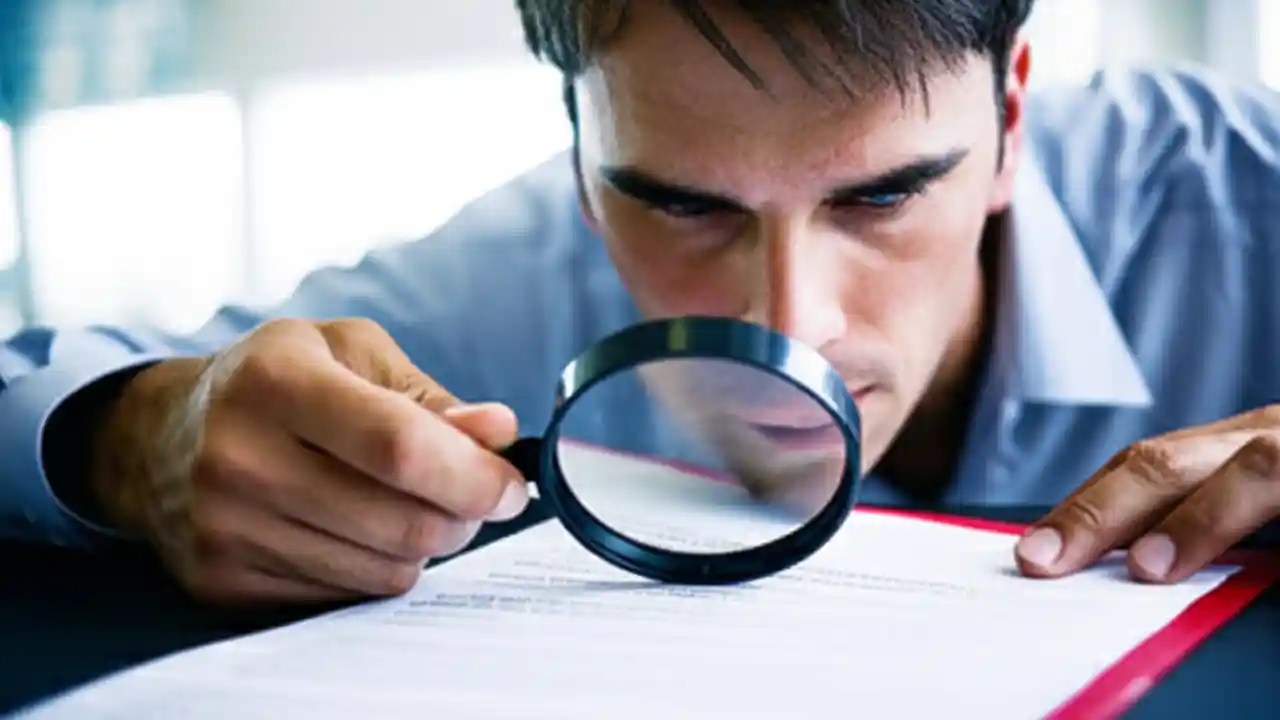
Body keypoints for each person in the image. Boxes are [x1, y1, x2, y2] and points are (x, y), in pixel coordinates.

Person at [1, 0, 1278, 606]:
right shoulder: (508, 269)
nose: (786, 329)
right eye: (680, 206)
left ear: (1010, 117)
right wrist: (129, 434)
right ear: (578, 155)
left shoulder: (1249, 198)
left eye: (882, 196)